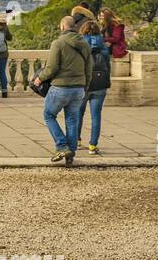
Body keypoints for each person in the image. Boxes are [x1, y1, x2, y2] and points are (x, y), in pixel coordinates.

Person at [32, 15, 93, 165]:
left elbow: (51, 68)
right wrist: (85, 86)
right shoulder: (84, 43)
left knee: (48, 114)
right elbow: (89, 68)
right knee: (72, 120)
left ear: (62, 27)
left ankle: (61, 146)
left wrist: (39, 79)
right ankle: (70, 153)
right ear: (75, 27)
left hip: (61, 87)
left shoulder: (58, 43)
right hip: (78, 88)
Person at [77, 19, 112, 154]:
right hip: (100, 84)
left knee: (78, 114)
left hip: (83, 83)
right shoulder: (103, 46)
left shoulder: (80, 45)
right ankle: (92, 145)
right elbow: (107, 66)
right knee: (96, 116)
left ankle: (76, 141)